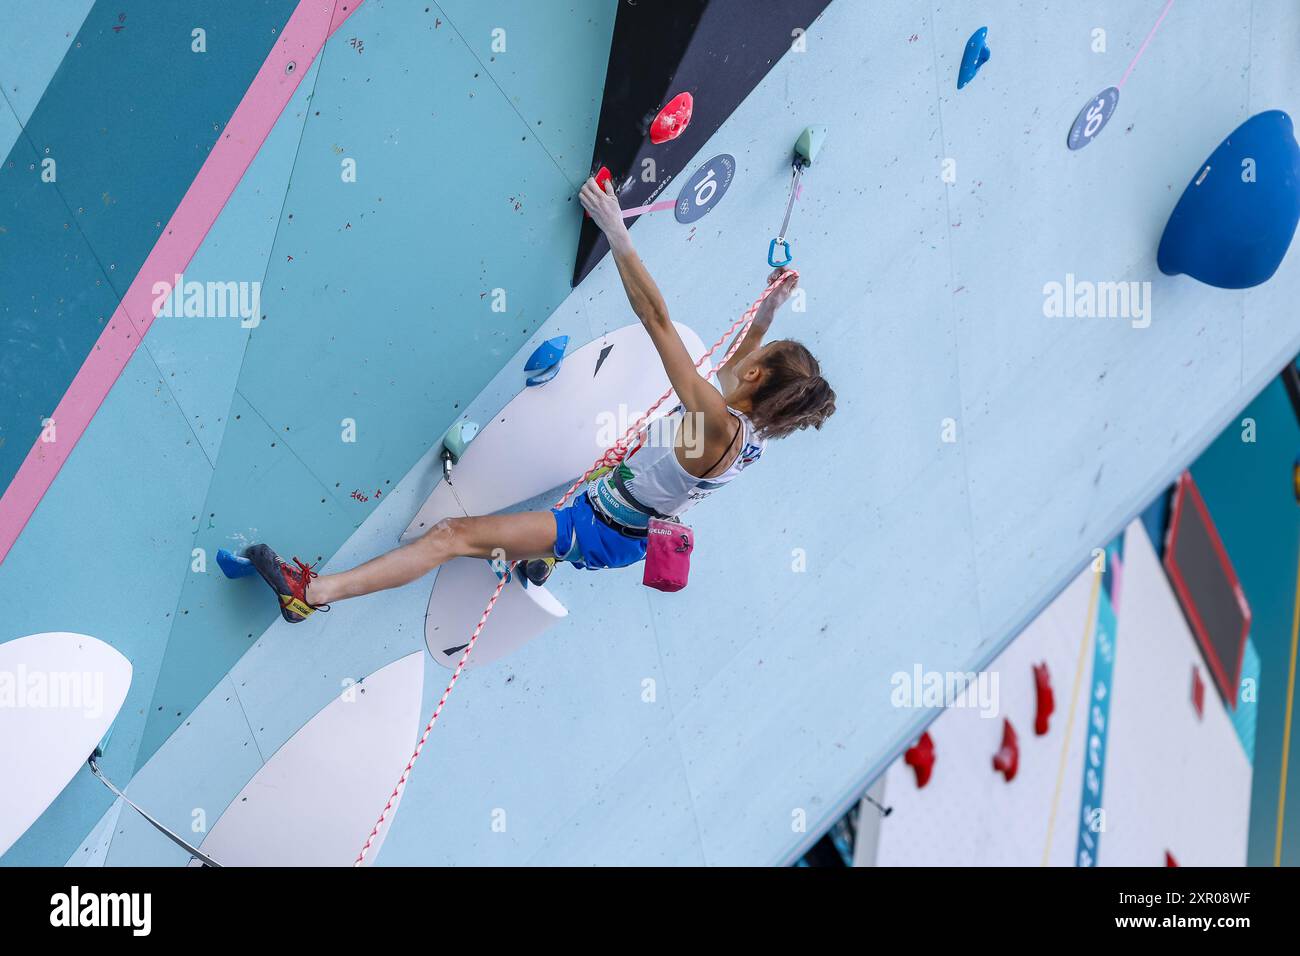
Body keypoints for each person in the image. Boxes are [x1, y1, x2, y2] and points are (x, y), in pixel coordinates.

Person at [242, 176, 836, 623]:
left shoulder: (713, 419)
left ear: (760, 380)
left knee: (451, 536)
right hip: (625, 524)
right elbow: (738, 370)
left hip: (599, 526)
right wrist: (766, 314)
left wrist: (616, 232)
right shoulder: (743, 432)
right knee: (513, 528)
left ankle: (311, 596)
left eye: (758, 359)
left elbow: (656, 319)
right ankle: (541, 552)